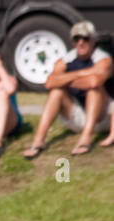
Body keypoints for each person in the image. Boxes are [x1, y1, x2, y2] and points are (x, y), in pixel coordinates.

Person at [23, 21, 113, 159]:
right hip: (76, 117)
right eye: (77, 39)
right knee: (56, 92)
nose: (81, 42)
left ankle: (85, 139)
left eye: (85, 38)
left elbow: (94, 81)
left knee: (93, 89)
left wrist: (66, 79)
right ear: (72, 42)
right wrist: (83, 74)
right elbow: (49, 83)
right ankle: (38, 141)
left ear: (93, 40)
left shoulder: (104, 59)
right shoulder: (65, 60)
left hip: (102, 118)